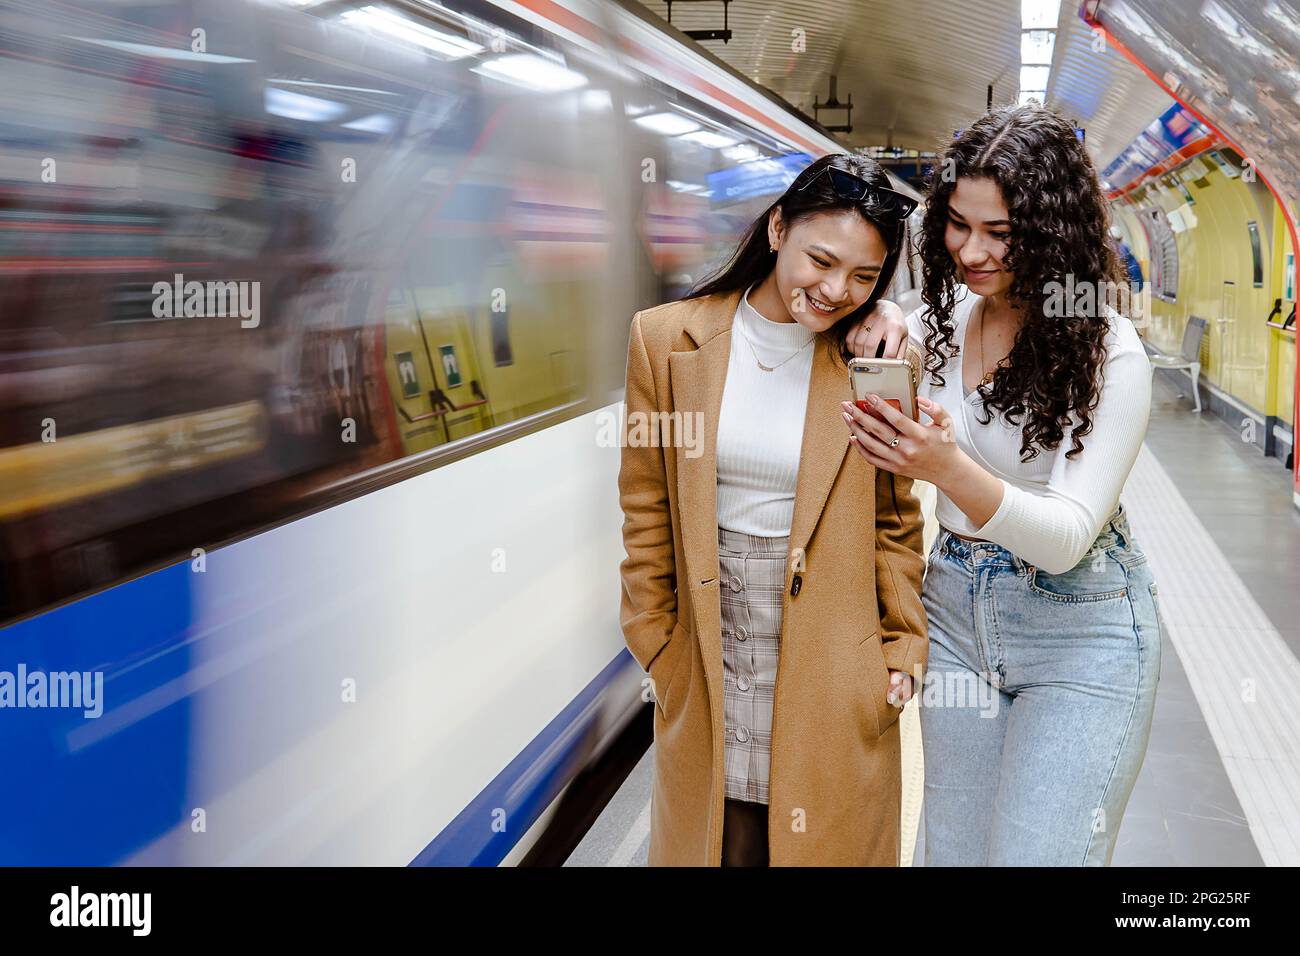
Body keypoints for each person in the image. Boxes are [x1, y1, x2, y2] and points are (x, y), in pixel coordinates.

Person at [842, 103, 1161, 866]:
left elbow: (1065, 537)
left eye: (1001, 233)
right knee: (948, 855)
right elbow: (879, 327)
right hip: (954, 610)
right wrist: (878, 312)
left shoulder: (1109, 352)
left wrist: (946, 468)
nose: (971, 251)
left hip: (1082, 627)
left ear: (1052, 233)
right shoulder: (940, 320)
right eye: (957, 224)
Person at [617, 153, 927, 866]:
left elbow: (895, 517)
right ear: (778, 228)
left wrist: (901, 648)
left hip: (830, 649)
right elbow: (645, 504)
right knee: (720, 844)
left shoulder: (876, 362)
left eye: (863, 277)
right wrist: (658, 645)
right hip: (706, 639)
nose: (835, 291)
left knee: (812, 845)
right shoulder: (667, 341)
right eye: (822, 260)